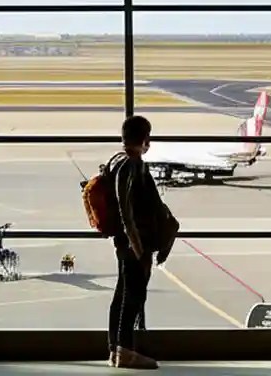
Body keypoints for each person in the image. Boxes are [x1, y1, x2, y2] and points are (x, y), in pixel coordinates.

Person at [108, 115, 165, 370]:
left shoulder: (116, 162)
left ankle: (115, 349)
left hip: (125, 242)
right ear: (144, 139)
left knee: (122, 295)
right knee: (133, 296)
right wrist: (138, 247)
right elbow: (126, 210)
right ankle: (126, 351)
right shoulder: (130, 166)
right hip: (133, 243)